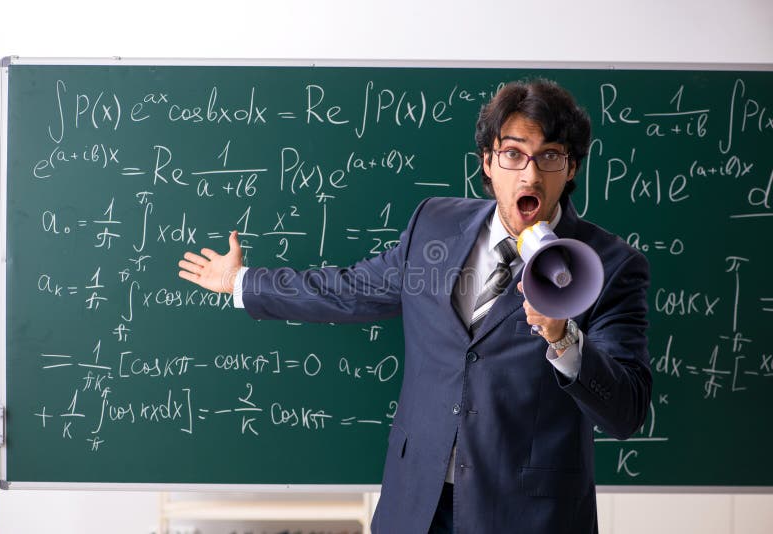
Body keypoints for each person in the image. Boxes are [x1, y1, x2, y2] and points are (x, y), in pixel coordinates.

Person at [178, 79, 652, 533]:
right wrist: (240, 280)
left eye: (549, 155)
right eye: (513, 153)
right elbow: (348, 290)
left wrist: (562, 338)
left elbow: (626, 412)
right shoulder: (435, 225)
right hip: (416, 506)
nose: (529, 173)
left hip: (526, 516)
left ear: (570, 168)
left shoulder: (610, 266)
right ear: (488, 162)